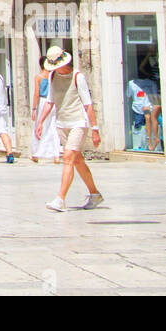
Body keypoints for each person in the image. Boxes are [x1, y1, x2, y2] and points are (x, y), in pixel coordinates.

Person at [34, 45, 104, 212]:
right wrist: (40, 122)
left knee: (68, 158)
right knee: (77, 160)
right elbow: (50, 102)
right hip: (62, 124)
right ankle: (95, 194)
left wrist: (95, 129)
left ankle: (60, 199)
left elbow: (88, 104)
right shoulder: (52, 77)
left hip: (78, 123)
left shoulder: (77, 77)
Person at [30, 63, 61, 164]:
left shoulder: (38, 77)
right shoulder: (54, 76)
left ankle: (36, 154)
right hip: (53, 102)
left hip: (43, 102)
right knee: (53, 128)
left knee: (39, 127)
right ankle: (56, 155)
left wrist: (34, 108)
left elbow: (36, 93)